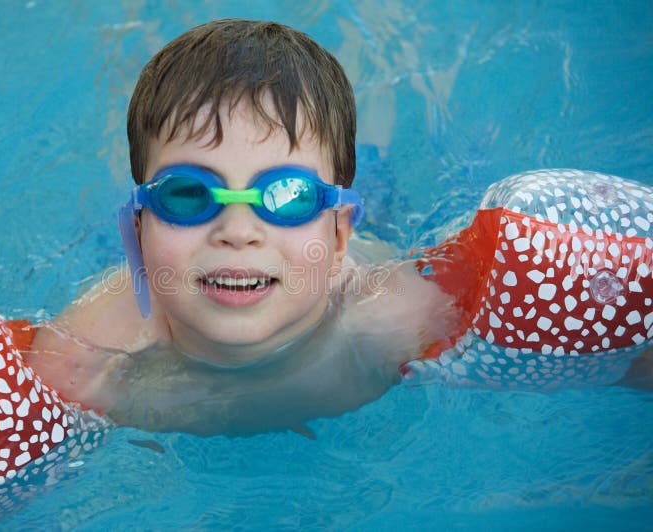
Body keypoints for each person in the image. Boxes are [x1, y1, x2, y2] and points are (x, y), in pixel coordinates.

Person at [24, 19, 458, 436]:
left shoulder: (397, 319)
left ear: (340, 234)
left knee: (372, 175)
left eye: (290, 196)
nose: (237, 230)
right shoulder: (85, 361)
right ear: (138, 232)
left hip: (372, 228)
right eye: (187, 193)